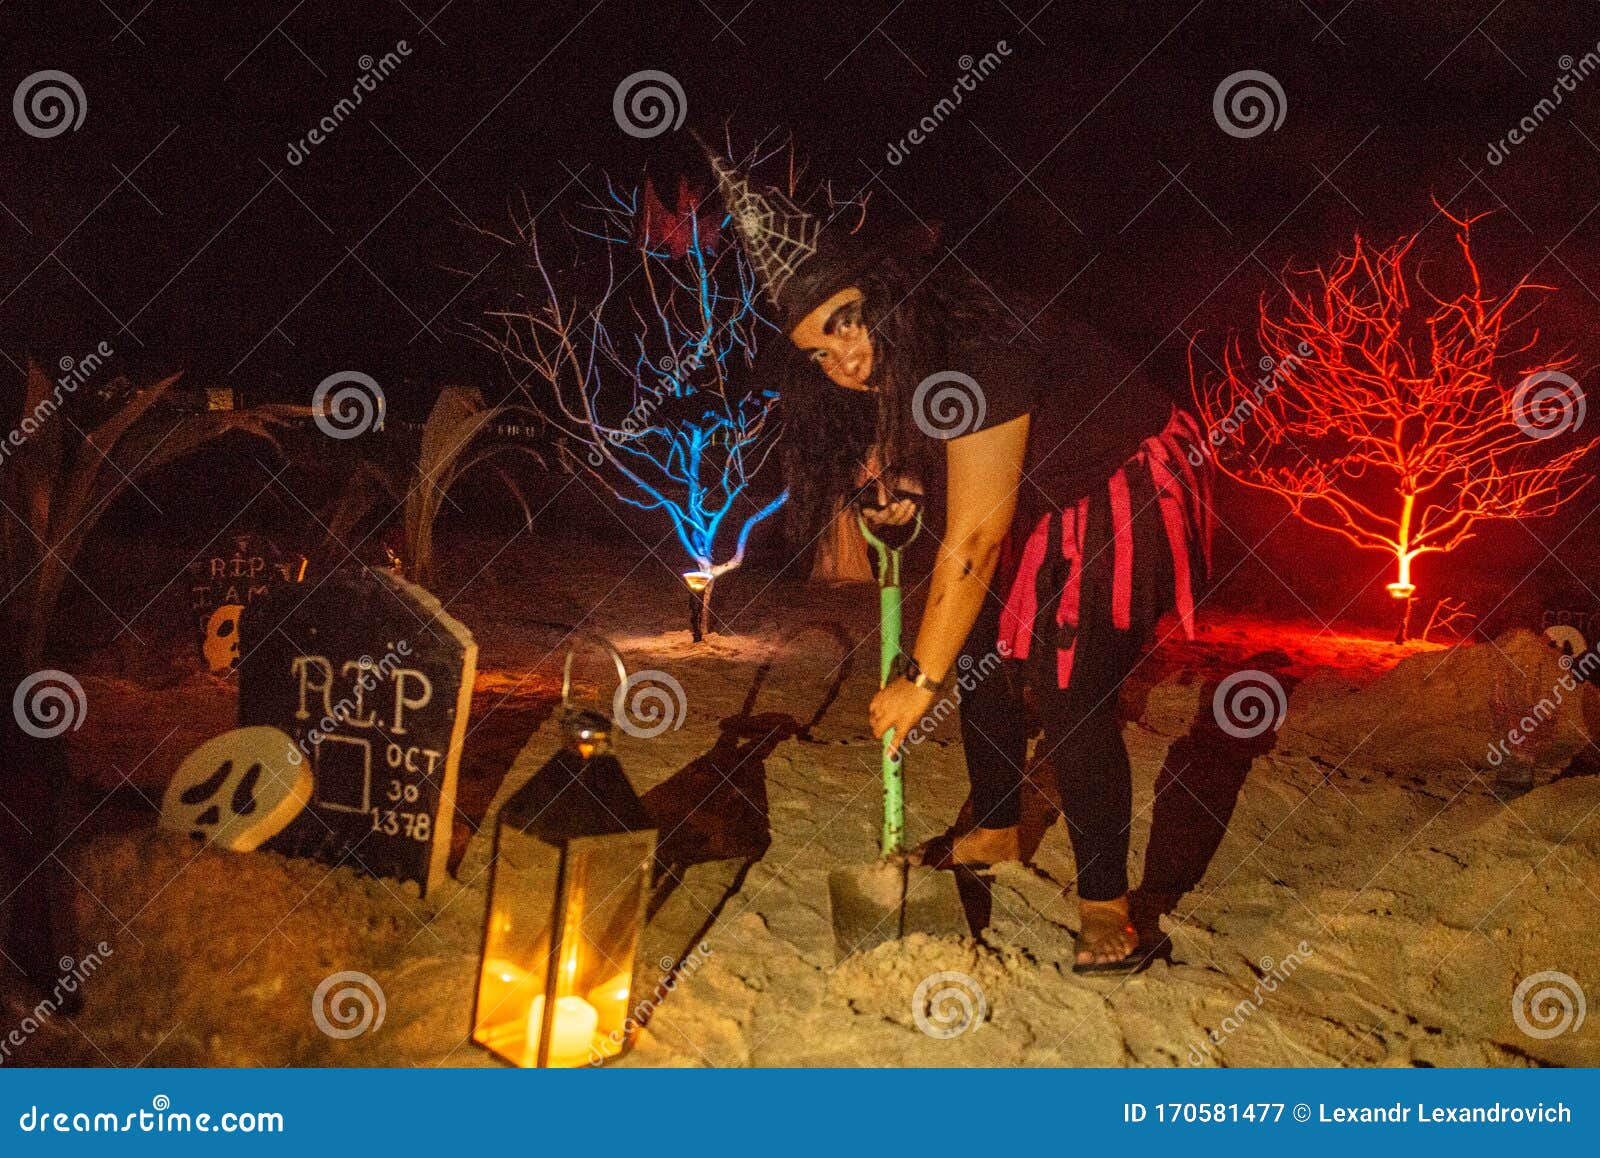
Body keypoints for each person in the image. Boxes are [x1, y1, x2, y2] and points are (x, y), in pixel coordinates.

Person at [711, 152, 1213, 971]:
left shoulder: (977, 339)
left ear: (885, 293)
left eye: (845, 323)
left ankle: (1106, 908)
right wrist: (904, 501)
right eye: (815, 353)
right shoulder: (904, 362)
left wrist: (919, 681)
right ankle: (996, 828)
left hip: (1124, 481)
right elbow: (944, 490)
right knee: (968, 641)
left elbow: (976, 540)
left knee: (1067, 683)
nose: (839, 361)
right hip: (1038, 489)